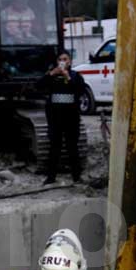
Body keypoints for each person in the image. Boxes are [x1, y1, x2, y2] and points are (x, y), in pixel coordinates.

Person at [36, 51, 87, 184]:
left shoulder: (76, 76)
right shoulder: (52, 76)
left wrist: (67, 77)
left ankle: (76, 176)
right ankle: (51, 177)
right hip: (55, 118)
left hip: (71, 118)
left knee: (72, 148)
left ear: (69, 61)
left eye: (65, 59)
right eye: (60, 59)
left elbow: (80, 91)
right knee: (54, 147)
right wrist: (51, 74)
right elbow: (38, 86)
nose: (62, 61)